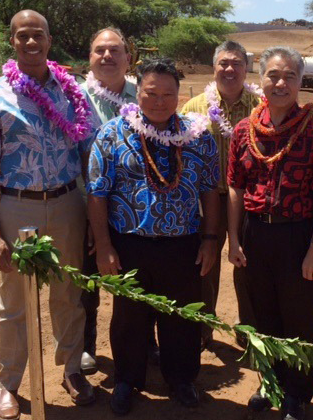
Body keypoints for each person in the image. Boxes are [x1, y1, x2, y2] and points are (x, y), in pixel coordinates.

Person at [0, 9, 97, 420]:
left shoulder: (73, 92)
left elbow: (88, 153)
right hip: (16, 206)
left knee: (68, 294)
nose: (31, 42)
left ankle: (72, 370)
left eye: (38, 35)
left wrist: (93, 217)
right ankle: (8, 382)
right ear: (12, 42)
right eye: (23, 36)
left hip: (67, 203)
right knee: (15, 302)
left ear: (50, 40)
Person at [87, 58, 220, 415]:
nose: (159, 101)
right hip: (130, 244)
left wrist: (210, 240)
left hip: (183, 244)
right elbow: (97, 193)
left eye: (168, 94)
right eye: (151, 93)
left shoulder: (198, 135)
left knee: (182, 316)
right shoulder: (112, 133)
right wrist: (103, 247)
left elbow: (209, 189)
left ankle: (182, 379)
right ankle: (128, 380)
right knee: (130, 318)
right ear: (138, 91)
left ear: (179, 95)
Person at [227, 46, 313, 420]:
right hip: (255, 235)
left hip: (299, 238)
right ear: (260, 79)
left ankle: (297, 392)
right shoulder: (244, 130)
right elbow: (236, 187)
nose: (280, 83)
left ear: (300, 81)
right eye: (273, 75)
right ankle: (270, 382)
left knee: (299, 320)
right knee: (262, 316)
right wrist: (234, 238)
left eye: (289, 76)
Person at [79, 27, 159, 374]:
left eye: (115, 50)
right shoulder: (73, 97)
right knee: (86, 278)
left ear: (129, 58)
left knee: (143, 276)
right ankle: (85, 345)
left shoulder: (144, 95)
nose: (108, 56)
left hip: (137, 208)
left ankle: (146, 341)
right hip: (85, 202)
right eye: (100, 50)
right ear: (90, 58)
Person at [181, 40, 260, 348]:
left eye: (236, 63)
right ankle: (202, 326)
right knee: (204, 263)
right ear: (213, 68)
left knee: (248, 265)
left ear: (246, 68)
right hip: (207, 200)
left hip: (248, 199)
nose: (230, 69)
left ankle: (250, 329)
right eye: (223, 63)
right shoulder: (194, 108)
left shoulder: (260, 107)